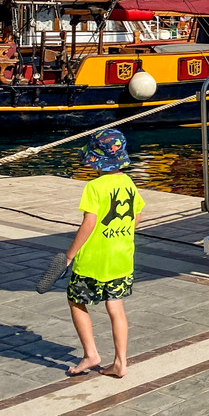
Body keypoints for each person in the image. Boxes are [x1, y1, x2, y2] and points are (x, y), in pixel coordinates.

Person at [63, 129, 145, 379]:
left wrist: (69, 254)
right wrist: (121, 234)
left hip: (93, 261)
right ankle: (120, 362)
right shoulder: (128, 183)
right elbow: (138, 214)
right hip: (121, 257)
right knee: (115, 306)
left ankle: (91, 354)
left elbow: (89, 222)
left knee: (75, 300)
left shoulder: (94, 187)